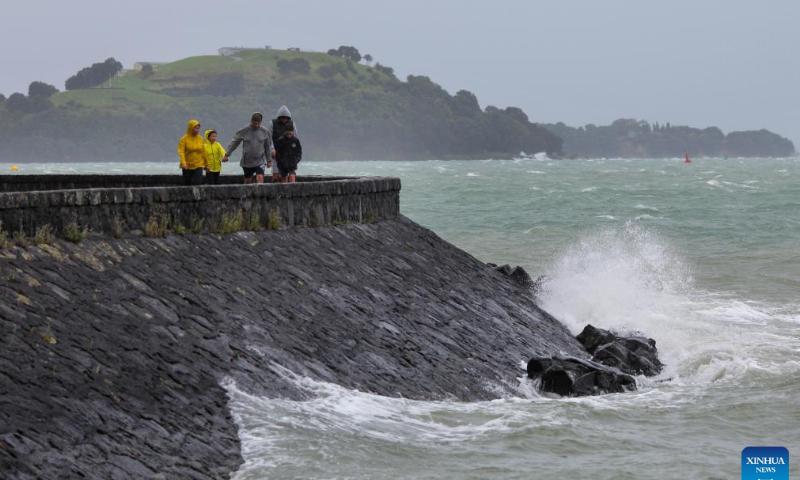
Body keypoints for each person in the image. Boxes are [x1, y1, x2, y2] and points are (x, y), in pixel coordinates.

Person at [223, 112, 271, 184]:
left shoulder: (264, 131)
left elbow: (267, 147)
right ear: (251, 121)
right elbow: (235, 142)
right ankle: (247, 194)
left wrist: (269, 160)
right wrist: (227, 154)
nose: (256, 125)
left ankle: (260, 194)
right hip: (247, 161)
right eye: (255, 123)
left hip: (260, 160)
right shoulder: (244, 130)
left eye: (258, 123)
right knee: (248, 181)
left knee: (260, 177)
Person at [266, 105, 298, 183]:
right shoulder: (272, 123)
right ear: (279, 117)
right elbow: (269, 138)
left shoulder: (292, 124)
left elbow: (295, 138)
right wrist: (272, 149)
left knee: (289, 175)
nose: (284, 119)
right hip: (276, 152)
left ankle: (288, 192)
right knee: (275, 177)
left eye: (285, 118)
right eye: (282, 118)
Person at [178, 119, 207, 186]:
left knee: (198, 183)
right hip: (187, 165)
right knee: (187, 184)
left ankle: (197, 196)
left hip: (199, 164)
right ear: (190, 128)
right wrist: (183, 163)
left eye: (198, 128)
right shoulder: (184, 139)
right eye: (195, 128)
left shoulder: (201, 138)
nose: (197, 130)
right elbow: (181, 151)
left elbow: (203, 152)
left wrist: (206, 164)